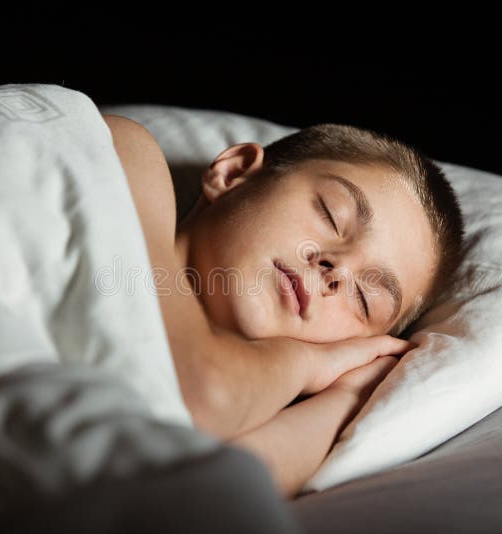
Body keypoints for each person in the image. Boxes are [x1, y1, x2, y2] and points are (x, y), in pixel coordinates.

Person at [102, 115, 465, 498]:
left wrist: (351, 395)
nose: (338, 268)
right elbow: (203, 393)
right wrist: (311, 364)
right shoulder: (121, 151)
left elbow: (209, 496)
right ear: (234, 172)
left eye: (363, 298)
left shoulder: (249, 404)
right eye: (331, 214)